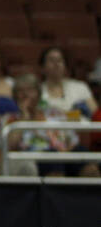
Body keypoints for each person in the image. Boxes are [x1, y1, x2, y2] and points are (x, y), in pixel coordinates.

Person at [35, 46, 100, 178]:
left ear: (65, 65)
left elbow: (94, 115)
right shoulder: (37, 92)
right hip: (49, 144)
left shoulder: (80, 87)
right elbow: (40, 118)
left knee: (91, 170)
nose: (56, 64)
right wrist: (74, 114)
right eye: (51, 60)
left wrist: (58, 115)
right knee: (55, 172)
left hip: (78, 142)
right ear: (42, 67)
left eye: (60, 60)